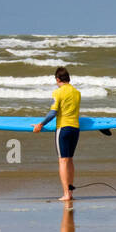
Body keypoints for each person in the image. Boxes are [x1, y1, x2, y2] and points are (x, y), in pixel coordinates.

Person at [32, 67, 81, 203]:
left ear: (57, 79)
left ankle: (66, 193)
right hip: (75, 129)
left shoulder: (58, 92)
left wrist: (40, 124)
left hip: (63, 129)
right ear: (68, 78)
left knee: (62, 160)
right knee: (70, 159)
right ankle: (70, 192)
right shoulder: (77, 93)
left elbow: (53, 112)